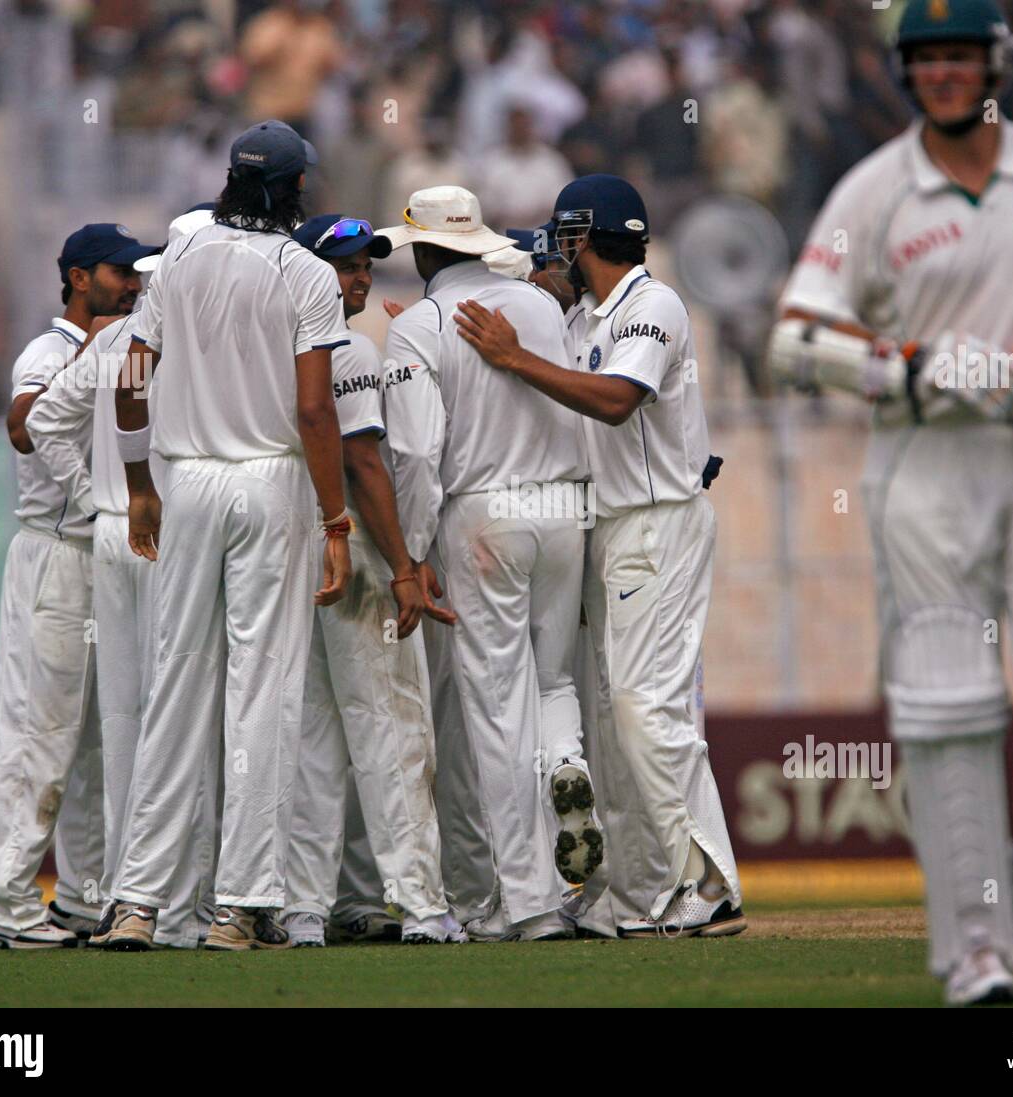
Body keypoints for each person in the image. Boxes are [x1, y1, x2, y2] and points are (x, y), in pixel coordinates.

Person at [768, 0, 1013, 1004]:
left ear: (996, 64)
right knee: (947, 704)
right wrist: (908, 368)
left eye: (960, 57)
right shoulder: (872, 189)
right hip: (926, 460)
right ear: (904, 72)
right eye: (925, 59)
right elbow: (795, 342)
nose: (942, 74)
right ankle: (976, 944)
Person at [453, 174, 744, 939]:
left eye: (563, 235)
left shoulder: (654, 305)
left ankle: (711, 882)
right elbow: (539, 288)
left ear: (587, 236)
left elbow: (616, 399)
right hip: (611, 529)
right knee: (615, 722)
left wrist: (516, 358)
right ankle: (632, 890)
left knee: (647, 709)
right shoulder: (588, 311)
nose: (554, 248)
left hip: (655, 526)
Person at [103, 120, 352, 952]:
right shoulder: (308, 274)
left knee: (175, 682)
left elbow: (130, 382)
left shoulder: (179, 257)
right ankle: (238, 907)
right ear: (287, 191)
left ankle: (136, 902)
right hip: (271, 479)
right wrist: (336, 519)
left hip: (189, 477)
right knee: (262, 692)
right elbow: (317, 410)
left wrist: (139, 484)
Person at [378, 186, 599, 941]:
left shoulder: (422, 326)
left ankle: (530, 900)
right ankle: (568, 770)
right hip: (564, 509)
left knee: (496, 708)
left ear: (424, 252)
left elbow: (413, 453)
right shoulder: (539, 301)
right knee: (554, 682)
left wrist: (410, 551)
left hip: (485, 516)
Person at [26, 207, 220, 950]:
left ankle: (123, 897)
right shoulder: (197, 340)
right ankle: (181, 906)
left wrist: (89, 497)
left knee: (127, 722)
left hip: (113, 534)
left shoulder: (112, 340)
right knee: (185, 713)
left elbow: (44, 425)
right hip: (172, 533)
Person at [0, 223, 158, 950]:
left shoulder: (132, 345)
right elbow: (24, 425)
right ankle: (6, 903)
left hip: (103, 555)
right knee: (39, 732)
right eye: (118, 271)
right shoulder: (48, 351)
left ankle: (81, 896)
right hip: (55, 551)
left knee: (96, 740)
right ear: (79, 277)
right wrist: (92, 359)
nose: (132, 282)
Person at [280, 213, 464, 946]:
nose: (358, 279)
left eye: (364, 267)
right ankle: (421, 906)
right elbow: (363, 462)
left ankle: (301, 911)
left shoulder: (271, 345)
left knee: (312, 739)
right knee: (393, 728)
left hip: (283, 553)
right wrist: (405, 567)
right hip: (349, 553)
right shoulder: (344, 346)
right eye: (345, 266)